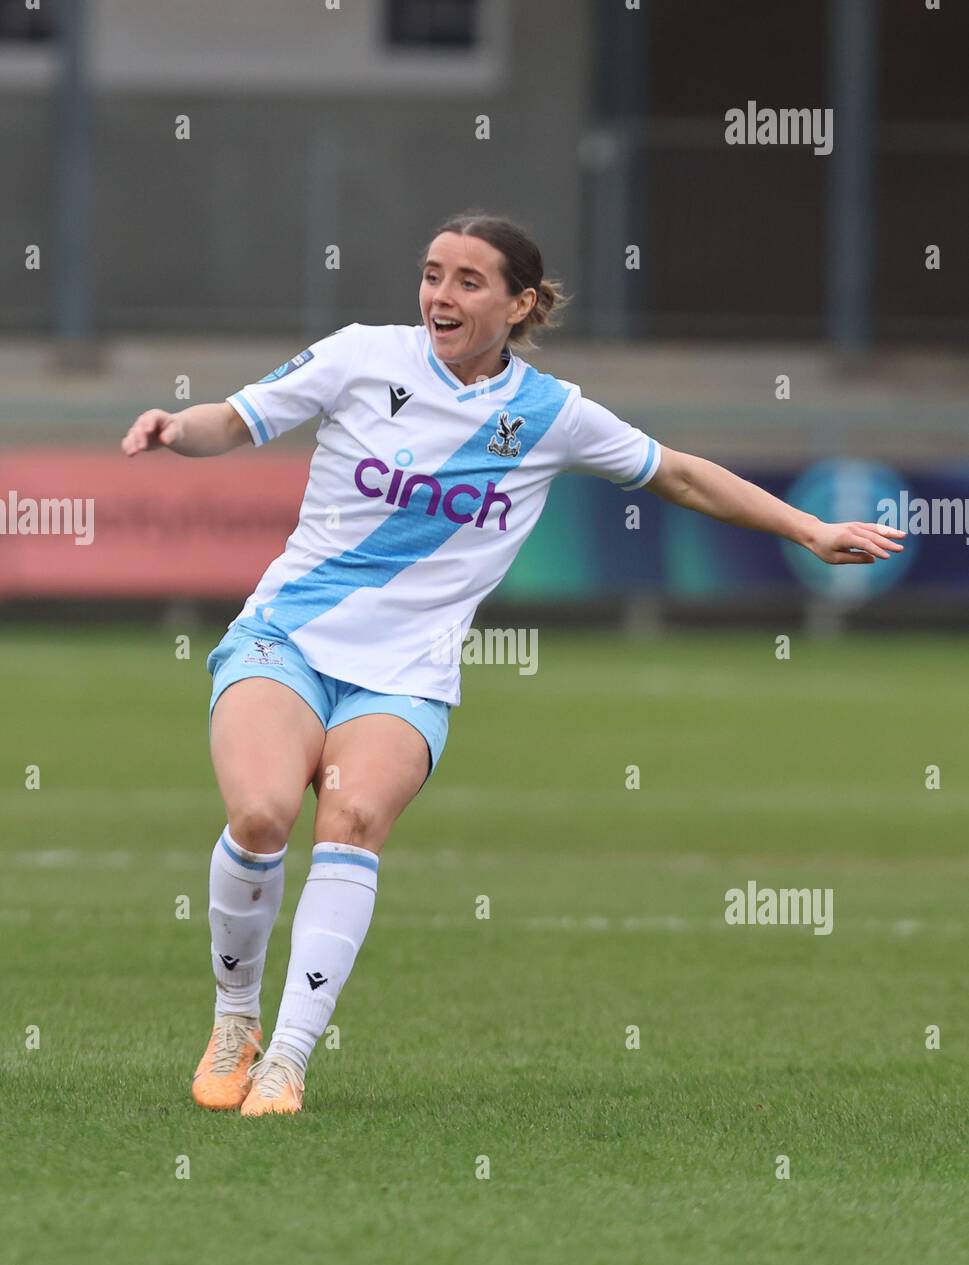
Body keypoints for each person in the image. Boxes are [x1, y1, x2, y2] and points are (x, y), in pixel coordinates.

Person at [121, 211, 904, 1117]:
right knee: (259, 816)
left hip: (404, 675)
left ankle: (289, 1059)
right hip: (285, 638)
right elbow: (239, 418)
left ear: (518, 303)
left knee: (354, 819)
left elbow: (679, 475)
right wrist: (180, 428)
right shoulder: (360, 356)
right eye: (430, 274)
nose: (438, 297)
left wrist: (809, 527)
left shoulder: (550, 416)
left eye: (466, 281)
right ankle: (233, 1022)